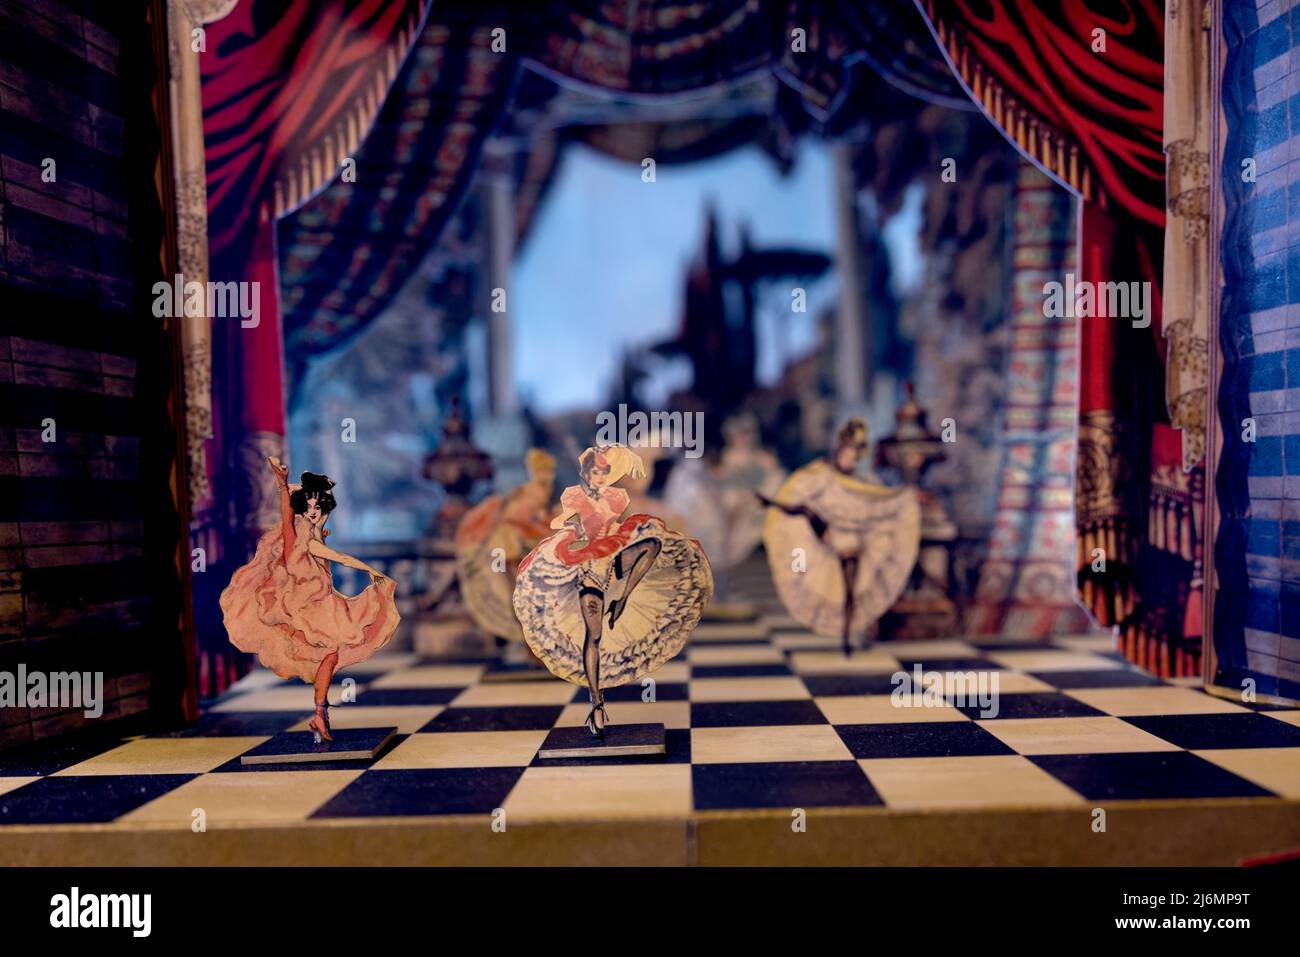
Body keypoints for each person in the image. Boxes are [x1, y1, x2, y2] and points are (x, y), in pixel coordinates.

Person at [512, 445, 712, 736]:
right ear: (586, 473)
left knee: (652, 543)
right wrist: (573, 526)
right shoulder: (573, 496)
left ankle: (622, 592)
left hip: (614, 556)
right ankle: (596, 703)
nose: (599, 475)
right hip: (588, 569)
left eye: (604, 471)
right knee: (593, 637)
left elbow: (622, 522)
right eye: (594, 471)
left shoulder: (617, 496)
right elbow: (560, 522)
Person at [219, 456, 398, 742]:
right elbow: (334, 553)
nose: (314, 512)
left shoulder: (315, 535)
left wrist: (316, 494)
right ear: (301, 509)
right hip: (305, 610)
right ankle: (319, 714)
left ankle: (320, 714)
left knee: (330, 657)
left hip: (324, 604)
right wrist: (281, 484)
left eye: (319, 507)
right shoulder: (298, 540)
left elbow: (321, 528)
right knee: (329, 655)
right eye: (309, 507)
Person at [759, 420, 919, 655]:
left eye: (853, 455)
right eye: (846, 454)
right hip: (832, 539)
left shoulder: (864, 482)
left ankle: (852, 633)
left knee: (857, 589)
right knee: (847, 589)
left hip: (855, 542)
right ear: (839, 452)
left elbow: (879, 503)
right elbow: (800, 506)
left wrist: (904, 498)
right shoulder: (823, 476)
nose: (849, 460)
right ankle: (848, 635)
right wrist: (771, 503)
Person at [455, 448, 556, 643]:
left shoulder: (537, 490)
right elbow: (518, 518)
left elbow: (533, 520)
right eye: (544, 471)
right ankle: (515, 630)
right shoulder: (534, 490)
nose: (547, 476)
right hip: (503, 547)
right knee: (506, 588)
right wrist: (544, 529)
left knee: (510, 587)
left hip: (507, 548)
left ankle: (519, 631)